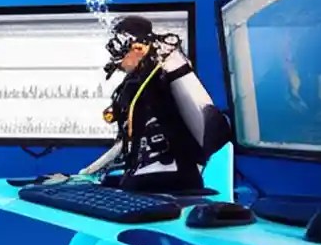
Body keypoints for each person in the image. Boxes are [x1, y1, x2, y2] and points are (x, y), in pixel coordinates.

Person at [77, 15, 231, 193]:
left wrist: (172, 61)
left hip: (170, 181)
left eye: (119, 43)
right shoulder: (137, 86)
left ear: (138, 46)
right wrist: (87, 173)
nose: (114, 55)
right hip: (142, 176)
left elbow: (211, 131)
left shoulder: (163, 73)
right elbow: (127, 142)